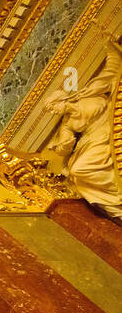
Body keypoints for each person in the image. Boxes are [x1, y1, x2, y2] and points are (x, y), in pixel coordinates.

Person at [43, 38, 122, 220]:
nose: (54, 110)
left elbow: (108, 77)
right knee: (79, 169)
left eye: (53, 106)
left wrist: (112, 52)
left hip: (108, 129)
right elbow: (65, 146)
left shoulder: (86, 98)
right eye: (52, 110)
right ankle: (116, 198)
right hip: (93, 141)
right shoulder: (67, 123)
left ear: (60, 100)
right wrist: (63, 145)